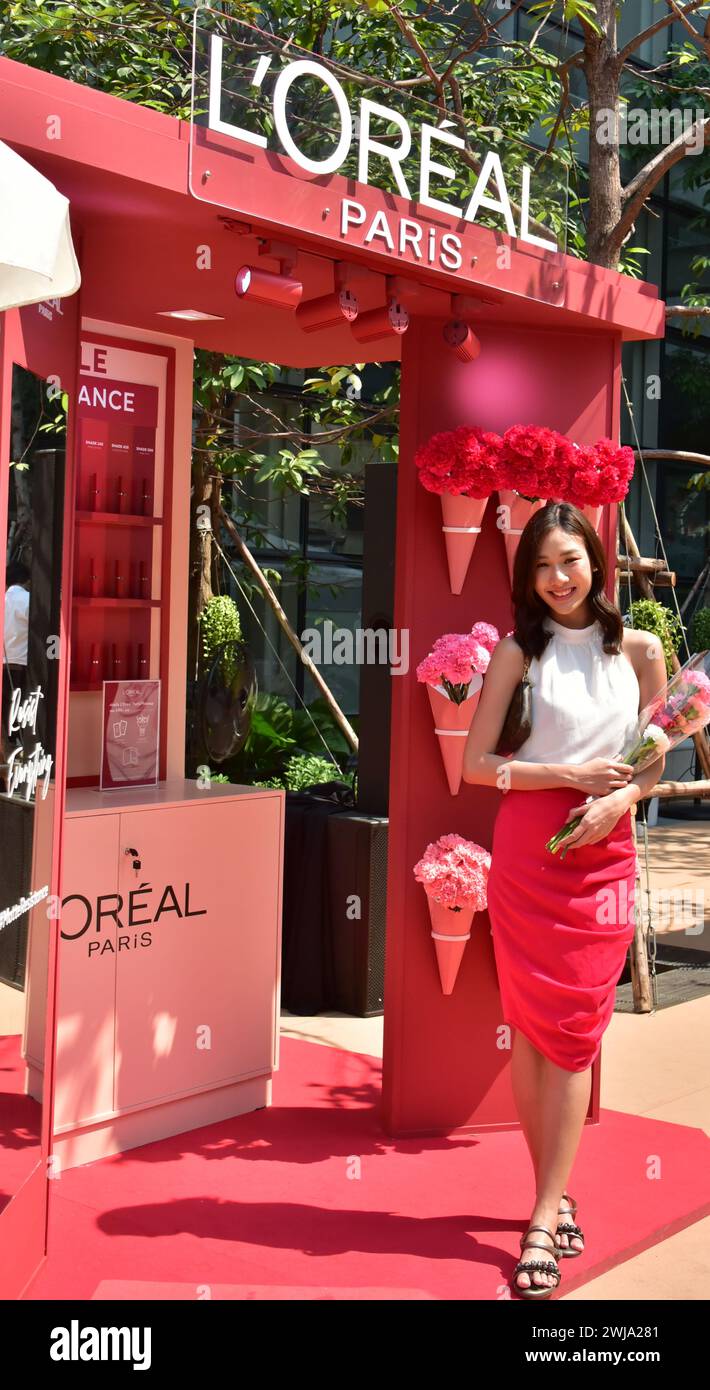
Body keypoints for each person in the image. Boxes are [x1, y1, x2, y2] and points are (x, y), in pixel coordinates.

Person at [462, 501, 667, 1300]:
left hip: (605, 850)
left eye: (569, 561)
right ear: (528, 577)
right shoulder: (519, 651)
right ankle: (550, 1203)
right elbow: (479, 765)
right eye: (542, 566)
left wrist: (620, 802)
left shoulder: (644, 651)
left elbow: (650, 756)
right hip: (530, 853)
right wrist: (569, 778)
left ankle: (544, 1209)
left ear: (596, 561)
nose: (557, 579)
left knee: (577, 1032)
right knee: (533, 1035)